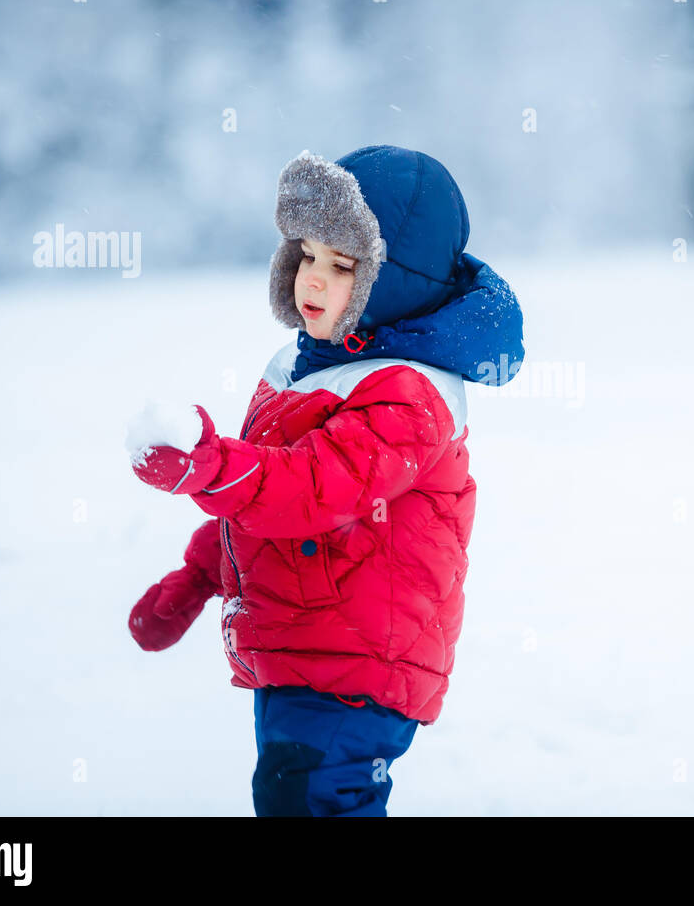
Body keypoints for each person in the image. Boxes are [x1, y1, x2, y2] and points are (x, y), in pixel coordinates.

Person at [125, 145, 524, 815]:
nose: (312, 280)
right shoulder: (306, 364)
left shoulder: (407, 395)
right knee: (294, 796)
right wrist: (198, 577)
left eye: (342, 266)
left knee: (308, 801)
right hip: (305, 650)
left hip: (360, 667)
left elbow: (308, 490)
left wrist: (207, 466)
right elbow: (264, 507)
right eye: (306, 254)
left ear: (394, 280)